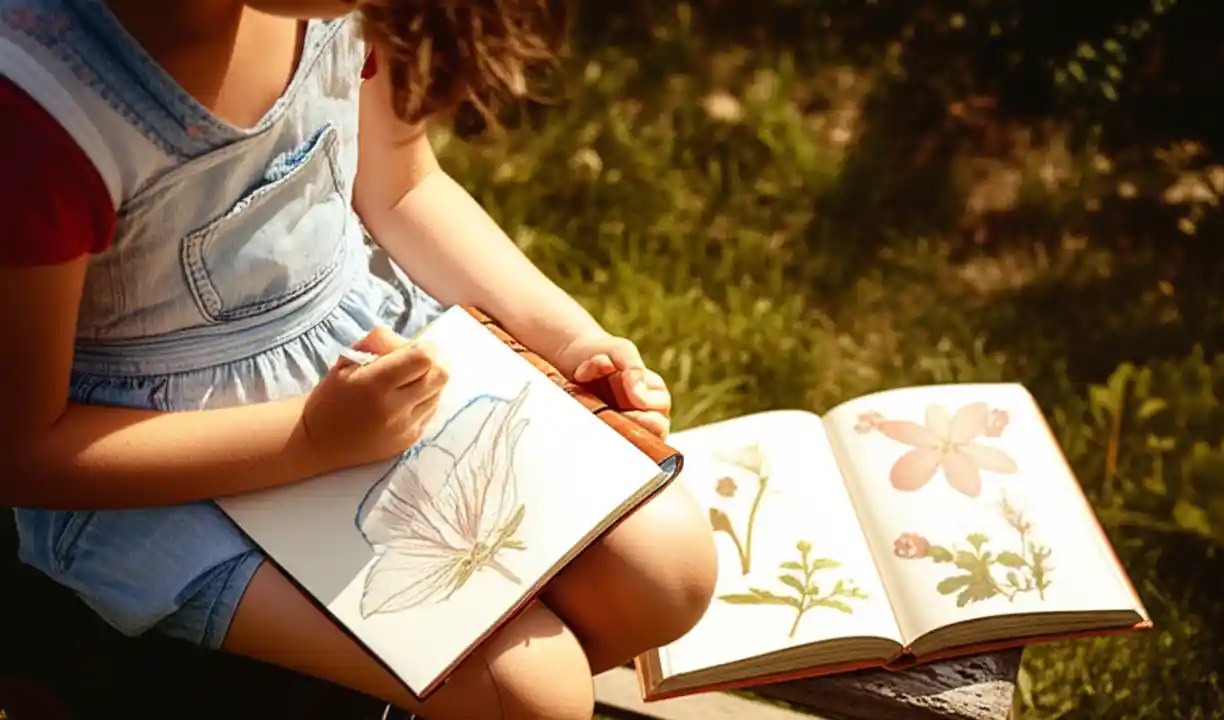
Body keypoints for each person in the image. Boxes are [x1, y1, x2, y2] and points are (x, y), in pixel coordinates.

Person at [0, 0, 718, 717]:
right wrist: (312, 440)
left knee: (667, 571)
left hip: (377, 375)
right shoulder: (44, 105)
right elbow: (24, 450)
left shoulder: (335, 8)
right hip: (167, 470)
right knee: (534, 692)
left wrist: (569, 338)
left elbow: (403, 186)